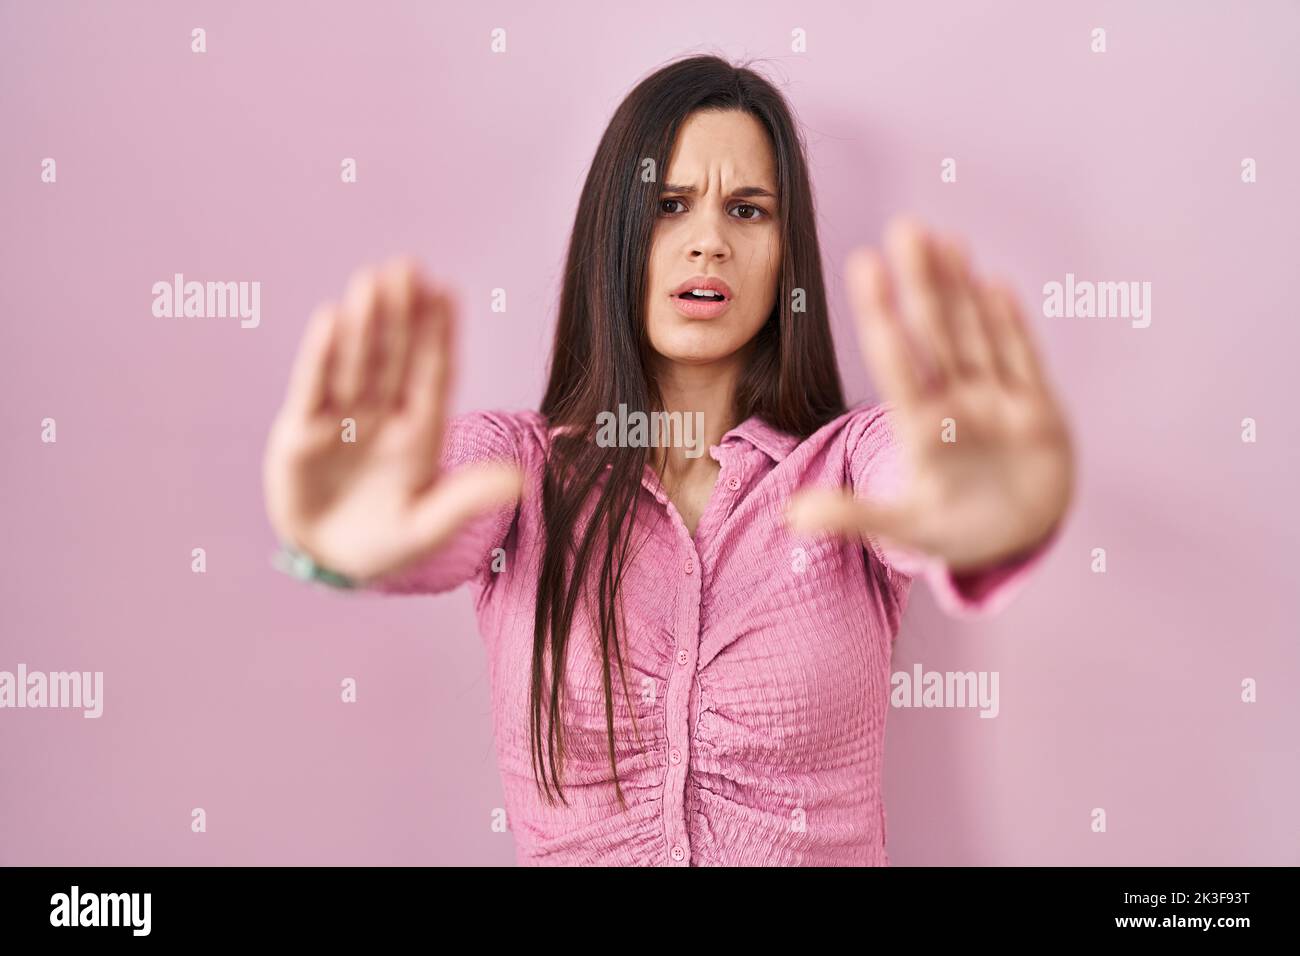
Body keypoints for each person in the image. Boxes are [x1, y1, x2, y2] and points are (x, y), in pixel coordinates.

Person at [261, 55, 1074, 866]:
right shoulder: (520, 471)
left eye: (748, 211)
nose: (709, 243)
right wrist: (342, 547)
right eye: (670, 205)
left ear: (786, 253)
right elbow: (429, 516)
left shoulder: (849, 469)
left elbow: (924, 484)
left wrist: (986, 519)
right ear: (614, 234)